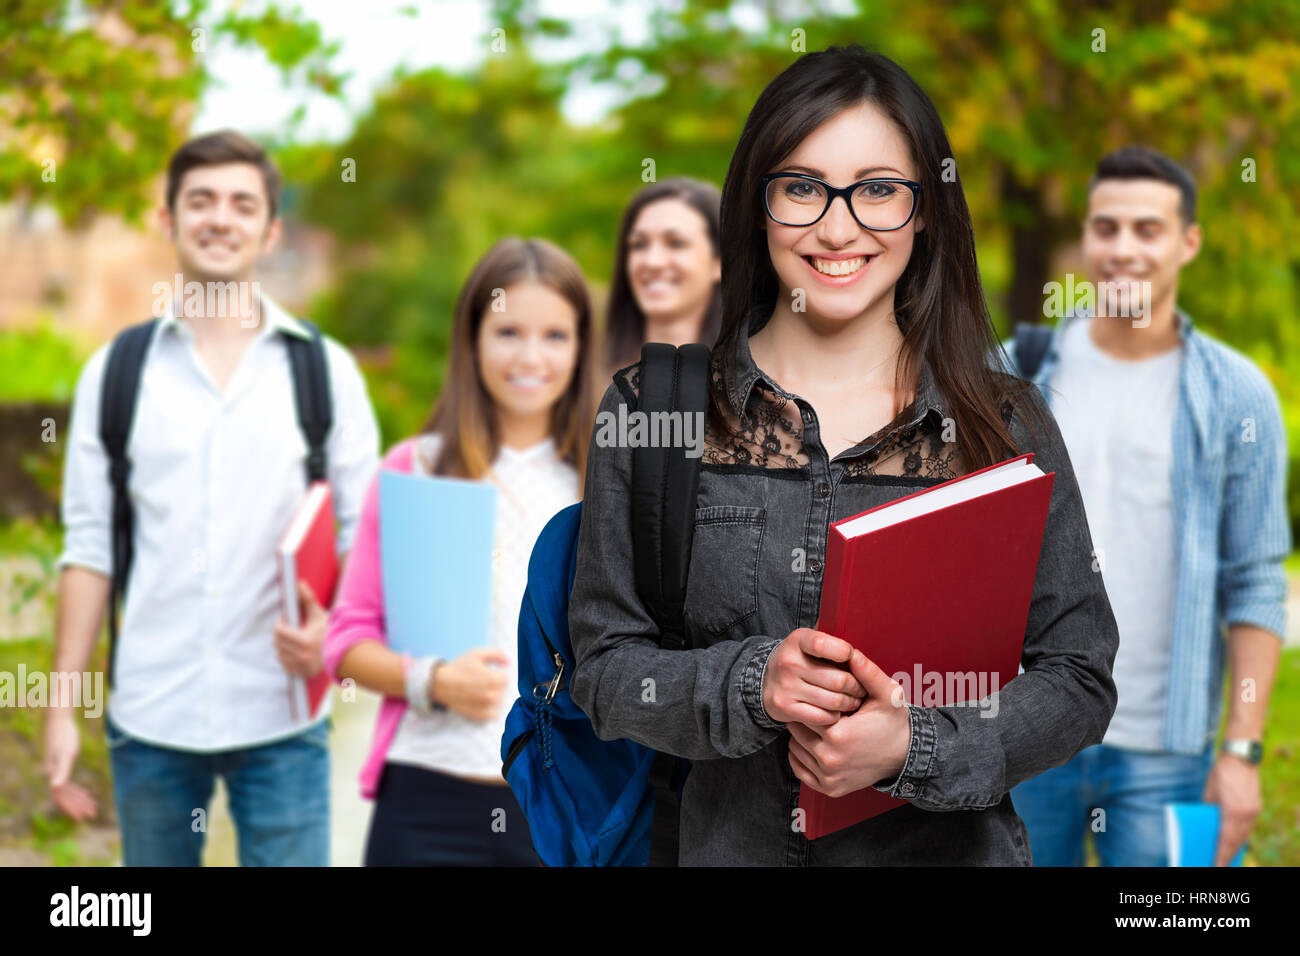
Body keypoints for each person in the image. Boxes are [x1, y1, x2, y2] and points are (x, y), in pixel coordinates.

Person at [567, 45, 1121, 866]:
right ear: (757, 206)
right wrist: (753, 683)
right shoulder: (655, 412)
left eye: (877, 191)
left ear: (926, 208)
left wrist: (916, 746)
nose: (837, 226)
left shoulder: (1004, 424)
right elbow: (606, 672)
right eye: (801, 187)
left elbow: (1077, 677)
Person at [45, 129, 381, 866]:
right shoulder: (118, 372)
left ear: (270, 230)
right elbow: (90, 548)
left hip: (286, 716)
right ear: (167, 220)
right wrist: (61, 708)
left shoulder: (326, 373)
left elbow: (362, 541)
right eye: (200, 201)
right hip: (150, 717)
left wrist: (331, 629)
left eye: (241, 203)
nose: (219, 218)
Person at [1005, 146, 1290, 867]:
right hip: (1026, 735)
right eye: (1106, 228)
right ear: (1085, 237)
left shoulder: (1236, 395)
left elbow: (1255, 581)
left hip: (1170, 754)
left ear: (1187, 242)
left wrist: (1242, 753)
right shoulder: (1013, 374)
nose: (1123, 249)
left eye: (1147, 229)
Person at [324, 237, 597, 866]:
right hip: (427, 802)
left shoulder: (604, 485)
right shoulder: (418, 470)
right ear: (472, 339)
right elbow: (346, 640)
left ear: (581, 347)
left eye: (555, 335)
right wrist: (434, 680)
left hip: (559, 810)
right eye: (508, 332)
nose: (531, 356)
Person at [603, 177, 722, 379]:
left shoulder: (754, 389)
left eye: (676, 243)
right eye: (639, 244)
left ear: (719, 262)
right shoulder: (588, 379)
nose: (652, 261)